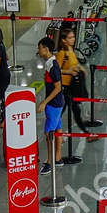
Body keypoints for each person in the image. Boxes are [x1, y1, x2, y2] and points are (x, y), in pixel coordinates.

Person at [36, 36, 64, 173]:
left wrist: (44, 102)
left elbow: (58, 87)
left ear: (46, 49)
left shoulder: (53, 66)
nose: (38, 51)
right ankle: (58, 158)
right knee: (58, 130)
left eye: (40, 48)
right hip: (57, 103)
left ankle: (49, 161)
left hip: (54, 105)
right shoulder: (49, 64)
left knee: (48, 134)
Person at [57, 25, 91, 134]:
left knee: (72, 110)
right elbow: (56, 71)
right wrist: (69, 71)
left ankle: (55, 132)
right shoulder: (61, 54)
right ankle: (54, 132)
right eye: (70, 38)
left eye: (73, 37)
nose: (73, 39)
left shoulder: (71, 50)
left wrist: (81, 68)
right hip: (64, 88)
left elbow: (75, 63)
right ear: (63, 40)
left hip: (71, 87)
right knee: (69, 111)